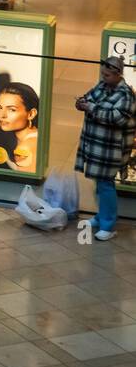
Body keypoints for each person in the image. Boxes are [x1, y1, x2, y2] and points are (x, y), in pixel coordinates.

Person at [76, 56, 136, 241]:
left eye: (108, 75)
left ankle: (108, 225)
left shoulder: (126, 94)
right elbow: (88, 98)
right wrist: (80, 103)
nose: (104, 77)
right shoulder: (102, 86)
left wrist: (91, 107)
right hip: (96, 144)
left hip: (111, 149)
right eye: (103, 73)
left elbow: (116, 118)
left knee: (105, 185)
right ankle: (101, 217)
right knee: (99, 183)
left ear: (118, 74)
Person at [0, 83, 40, 174]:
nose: (2, 115)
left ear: (31, 114)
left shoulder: (25, 148)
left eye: (11, 109)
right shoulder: (34, 135)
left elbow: (27, 185)